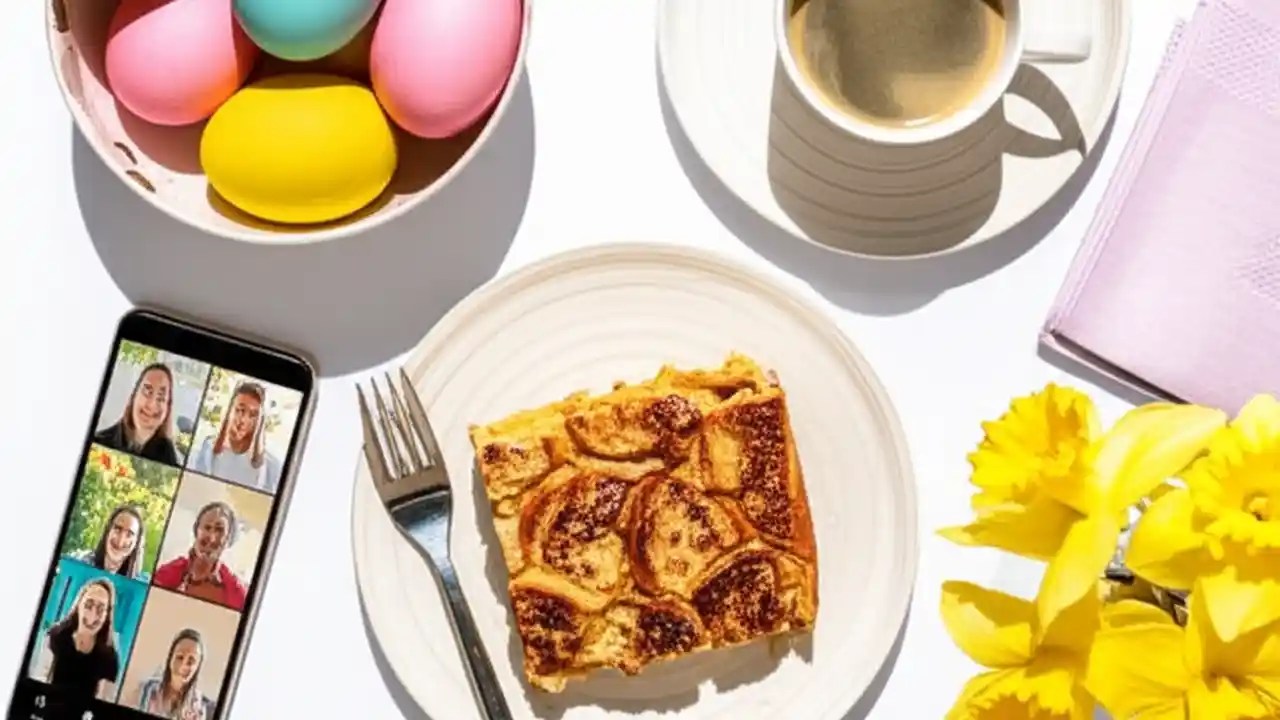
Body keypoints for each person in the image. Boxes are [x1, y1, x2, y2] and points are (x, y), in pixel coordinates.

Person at [30, 578, 120, 701]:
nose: (93, 615)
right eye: (89, 605)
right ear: (79, 606)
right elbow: (40, 679)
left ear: (107, 615)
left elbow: (104, 703)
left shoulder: (110, 658)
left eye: (101, 609)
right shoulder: (55, 637)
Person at [152, 502, 247, 610]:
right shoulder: (167, 573)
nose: (211, 537)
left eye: (219, 530)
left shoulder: (236, 592)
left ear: (229, 539)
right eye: (207, 527)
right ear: (196, 531)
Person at [190, 381, 281, 493]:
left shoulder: (271, 467)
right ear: (230, 410)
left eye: (253, 415)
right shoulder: (207, 448)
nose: (243, 420)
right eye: (240, 410)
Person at [94, 363, 181, 465]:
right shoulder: (97, 442)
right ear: (134, 395)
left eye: (161, 398)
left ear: (168, 408)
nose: (151, 404)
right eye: (147, 392)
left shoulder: (171, 462)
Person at [125, 628, 216, 720]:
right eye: (180, 657)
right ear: (170, 658)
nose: (183, 665)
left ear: (197, 668)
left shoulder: (198, 708)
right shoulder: (146, 690)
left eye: (191, 660)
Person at [70, 505, 149, 581]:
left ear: (136, 543)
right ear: (107, 531)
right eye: (117, 529)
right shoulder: (77, 562)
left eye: (129, 534)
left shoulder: (143, 585)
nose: (120, 541)